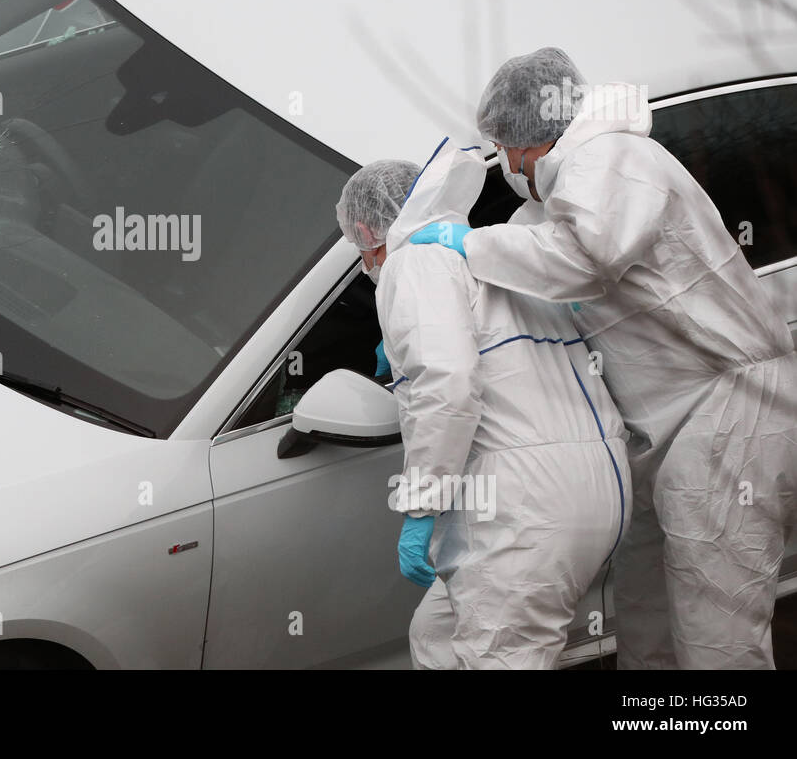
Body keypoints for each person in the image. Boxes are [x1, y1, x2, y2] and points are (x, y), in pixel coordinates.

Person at [411, 47, 797, 669]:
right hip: (666, 429)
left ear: (533, 139)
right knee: (648, 615)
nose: (506, 166)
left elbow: (582, 260)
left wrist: (470, 245)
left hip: (729, 415)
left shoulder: (612, 158)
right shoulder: (562, 193)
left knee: (716, 625)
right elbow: (543, 270)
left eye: (505, 151)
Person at [336, 141, 629, 668]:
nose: (363, 267)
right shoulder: (490, 248)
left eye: (358, 250)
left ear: (365, 233)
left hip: (524, 509)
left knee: (499, 656)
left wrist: (421, 505)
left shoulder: (414, 263)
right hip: (598, 485)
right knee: (436, 636)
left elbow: (447, 384)